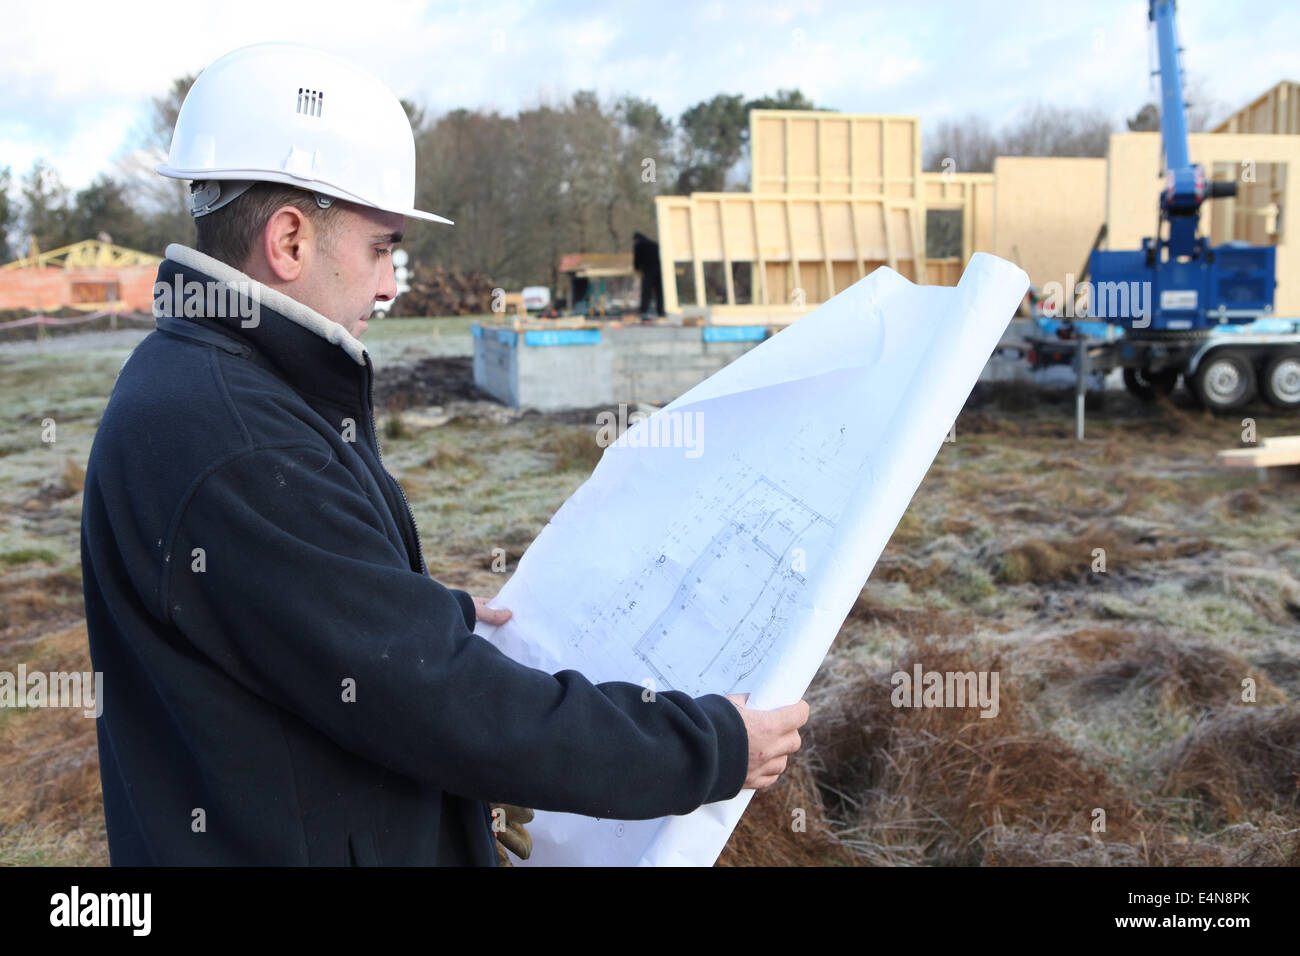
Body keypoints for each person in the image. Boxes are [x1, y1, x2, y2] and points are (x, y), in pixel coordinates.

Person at [80, 41, 809, 866]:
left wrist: (420, 618)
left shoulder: (217, 384)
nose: (391, 285)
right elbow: (441, 704)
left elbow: (300, 633)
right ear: (288, 240)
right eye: (381, 247)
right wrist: (709, 747)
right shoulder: (238, 441)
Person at [633, 231, 665, 322]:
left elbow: (637, 259)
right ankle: (661, 312)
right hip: (659, 270)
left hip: (648, 270)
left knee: (646, 292)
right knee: (659, 292)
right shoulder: (654, 244)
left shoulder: (639, 245)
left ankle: (643, 310)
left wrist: (636, 268)